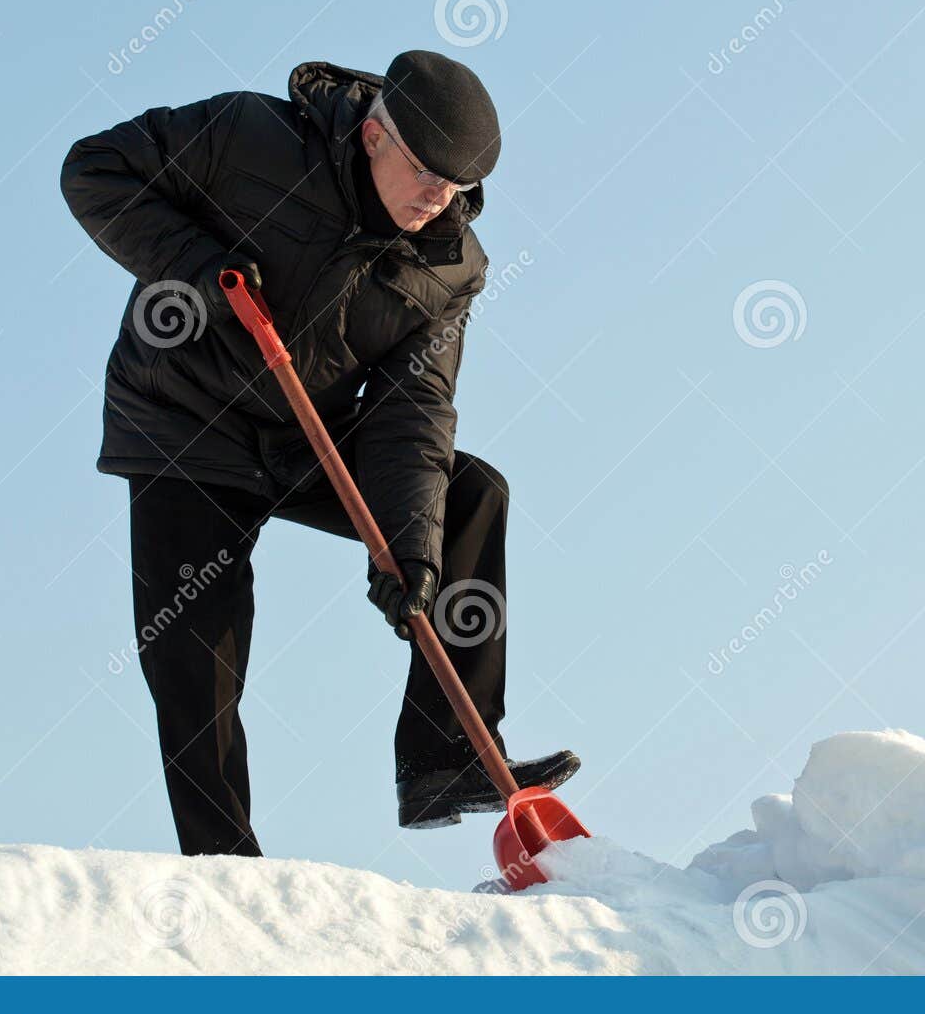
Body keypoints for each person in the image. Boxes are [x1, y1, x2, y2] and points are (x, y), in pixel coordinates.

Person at [59, 50, 578, 856]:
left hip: (307, 434)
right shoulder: (247, 136)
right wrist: (201, 271)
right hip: (184, 424)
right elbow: (94, 170)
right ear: (375, 135)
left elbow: (414, 408)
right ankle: (224, 860)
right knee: (197, 655)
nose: (442, 198)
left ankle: (450, 755)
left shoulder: (450, 264)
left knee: (470, 496)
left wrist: (411, 554)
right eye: (428, 172)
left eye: (459, 184)